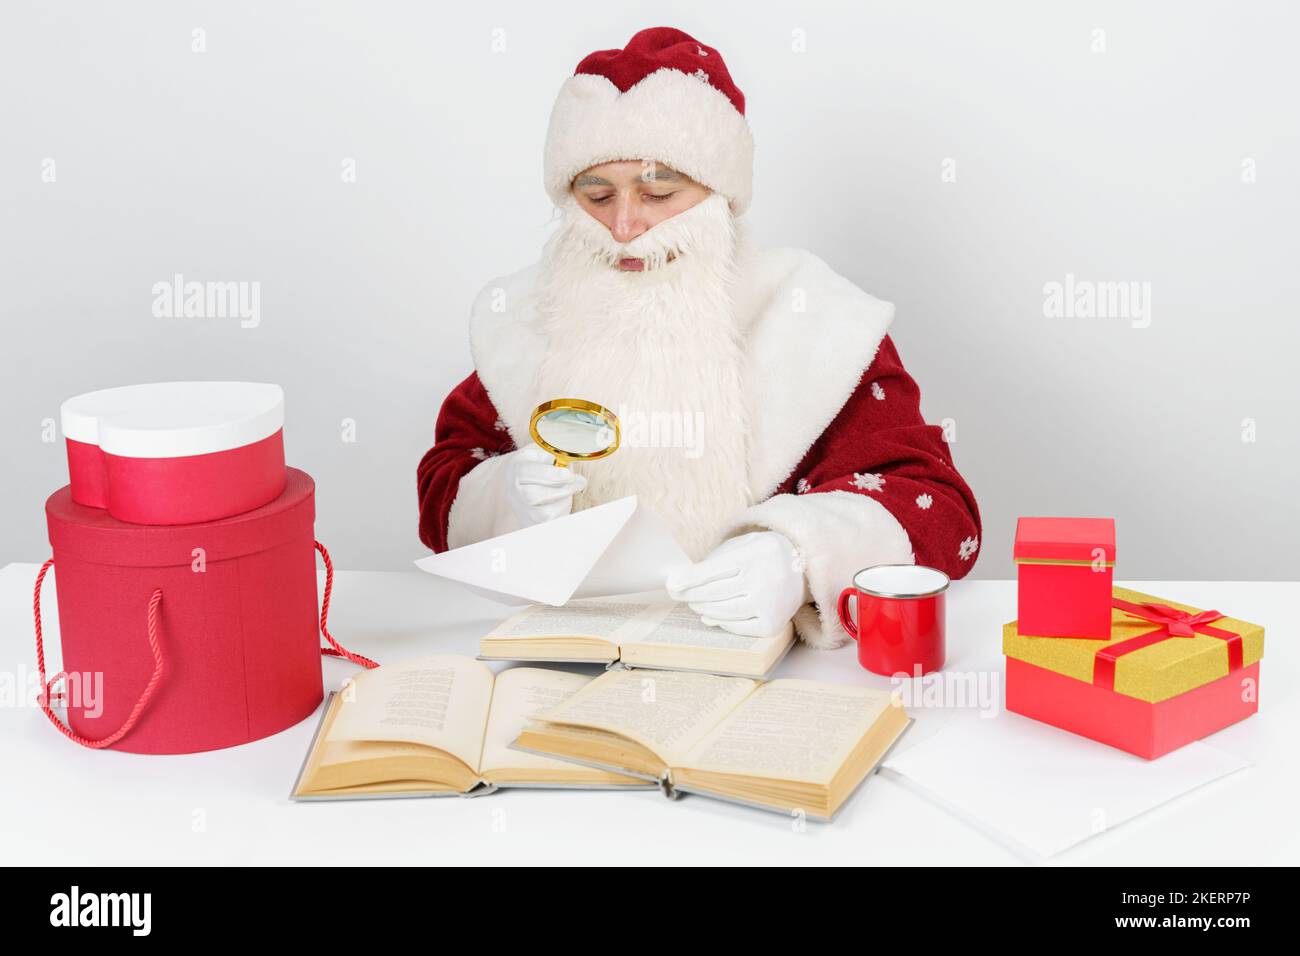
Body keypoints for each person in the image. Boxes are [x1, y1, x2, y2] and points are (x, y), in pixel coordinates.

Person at [418, 26, 980, 648]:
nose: (625, 225)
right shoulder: (523, 317)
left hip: (762, 672)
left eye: (659, 192)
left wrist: (796, 559)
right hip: (571, 651)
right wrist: (506, 500)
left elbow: (939, 508)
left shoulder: (815, 319)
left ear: (720, 194)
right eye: (596, 194)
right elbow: (449, 476)